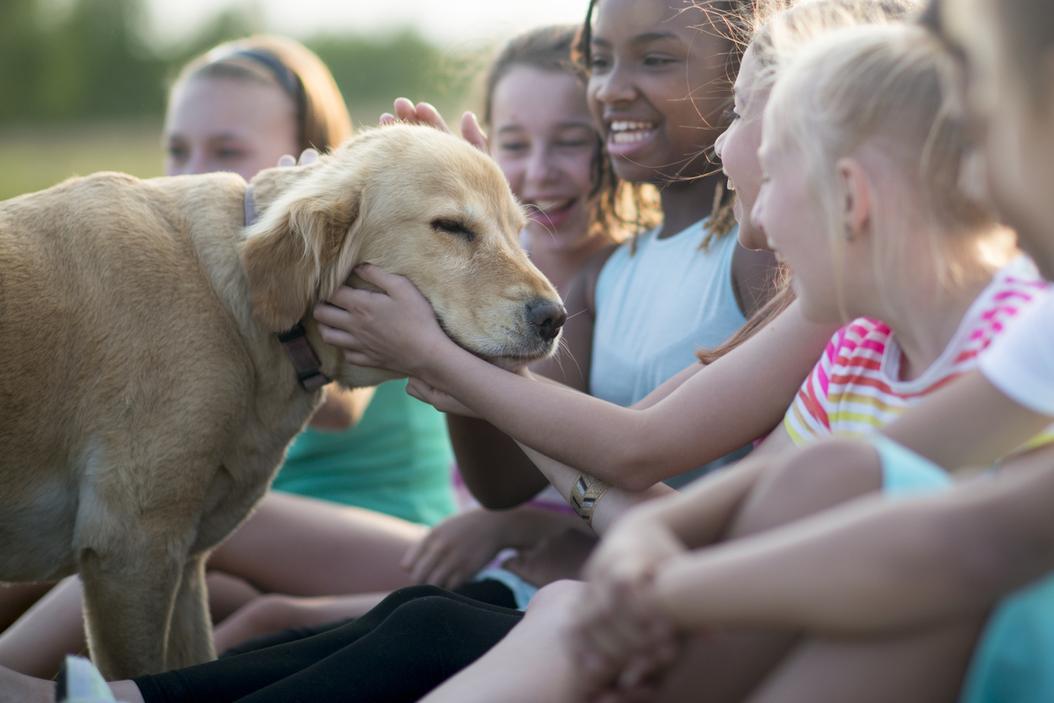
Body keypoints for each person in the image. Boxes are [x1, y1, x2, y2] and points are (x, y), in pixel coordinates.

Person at [422, 15, 1054, 703]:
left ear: (850, 196)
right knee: (564, 607)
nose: (971, 157)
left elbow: (962, 545)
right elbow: (793, 488)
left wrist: (667, 591)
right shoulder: (863, 341)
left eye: (983, 116)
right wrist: (647, 550)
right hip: (882, 617)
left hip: (978, 644)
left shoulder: (1001, 318)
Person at [0, 34, 454, 679]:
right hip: (233, 527)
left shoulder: (357, 260)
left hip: (371, 525)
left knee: (138, 527)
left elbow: (338, 407)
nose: (190, 172)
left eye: (226, 150)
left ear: (314, 160)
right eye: (177, 149)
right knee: (89, 543)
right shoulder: (179, 271)